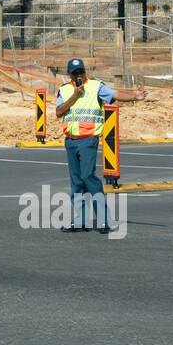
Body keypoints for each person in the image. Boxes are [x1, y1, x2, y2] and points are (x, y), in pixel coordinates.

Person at [54, 57, 145, 234]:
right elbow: (59, 112)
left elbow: (115, 94)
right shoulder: (64, 90)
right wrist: (75, 95)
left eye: (81, 72)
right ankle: (79, 221)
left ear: (85, 72)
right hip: (71, 140)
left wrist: (134, 96)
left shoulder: (96, 86)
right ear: (69, 75)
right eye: (75, 73)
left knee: (89, 177)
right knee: (76, 182)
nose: (79, 75)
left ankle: (104, 220)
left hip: (88, 140)